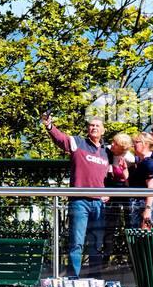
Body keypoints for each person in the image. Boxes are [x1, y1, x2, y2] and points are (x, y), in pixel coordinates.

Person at [43, 114, 110, 276]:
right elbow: (60, 138)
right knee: (76, 243)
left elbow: (118, 172)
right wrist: (49, 125)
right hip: (79, 201)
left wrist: (109, 192)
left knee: (96, 244)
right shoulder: (78, 142)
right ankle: (73, 279)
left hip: (99, 204)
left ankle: (95, 281)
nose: (94, 128)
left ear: (103, 130)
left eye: (97, 126)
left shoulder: (107, 152)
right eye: (91, 125)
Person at [127, 131, 153, 229]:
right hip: (135, 205)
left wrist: (148, 210)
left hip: (144, 204)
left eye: (137, 142)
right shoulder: (138, 163)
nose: (133, 145)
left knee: (144, 238)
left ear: (146, 144)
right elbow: (129, 184)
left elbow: (151, 187)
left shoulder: (149, 163)